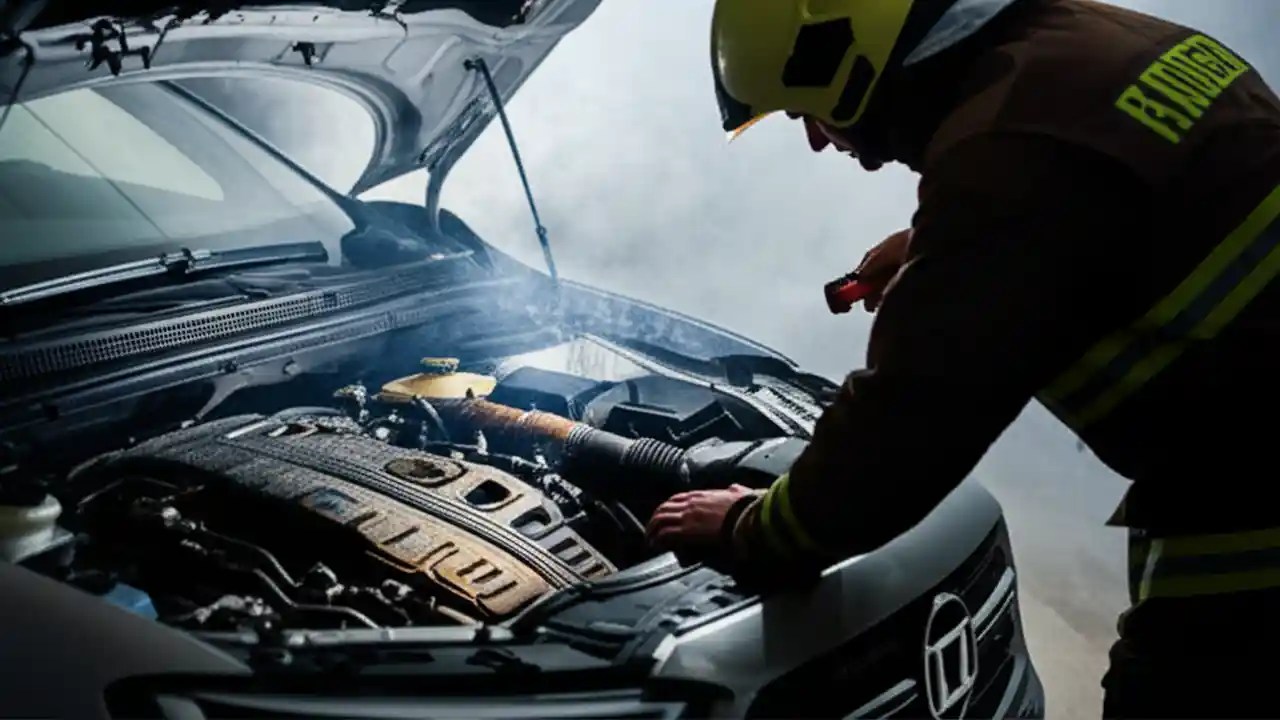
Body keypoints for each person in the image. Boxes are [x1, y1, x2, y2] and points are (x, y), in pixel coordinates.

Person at [644, 0, 1280, 717]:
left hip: (1250, 509)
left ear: (847, 60)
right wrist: (937, 244)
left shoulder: (1007, 165)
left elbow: (908, 426)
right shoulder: (1098, 38)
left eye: (805, 111)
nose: (819, 142)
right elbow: (1107, 196)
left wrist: (753, 530)